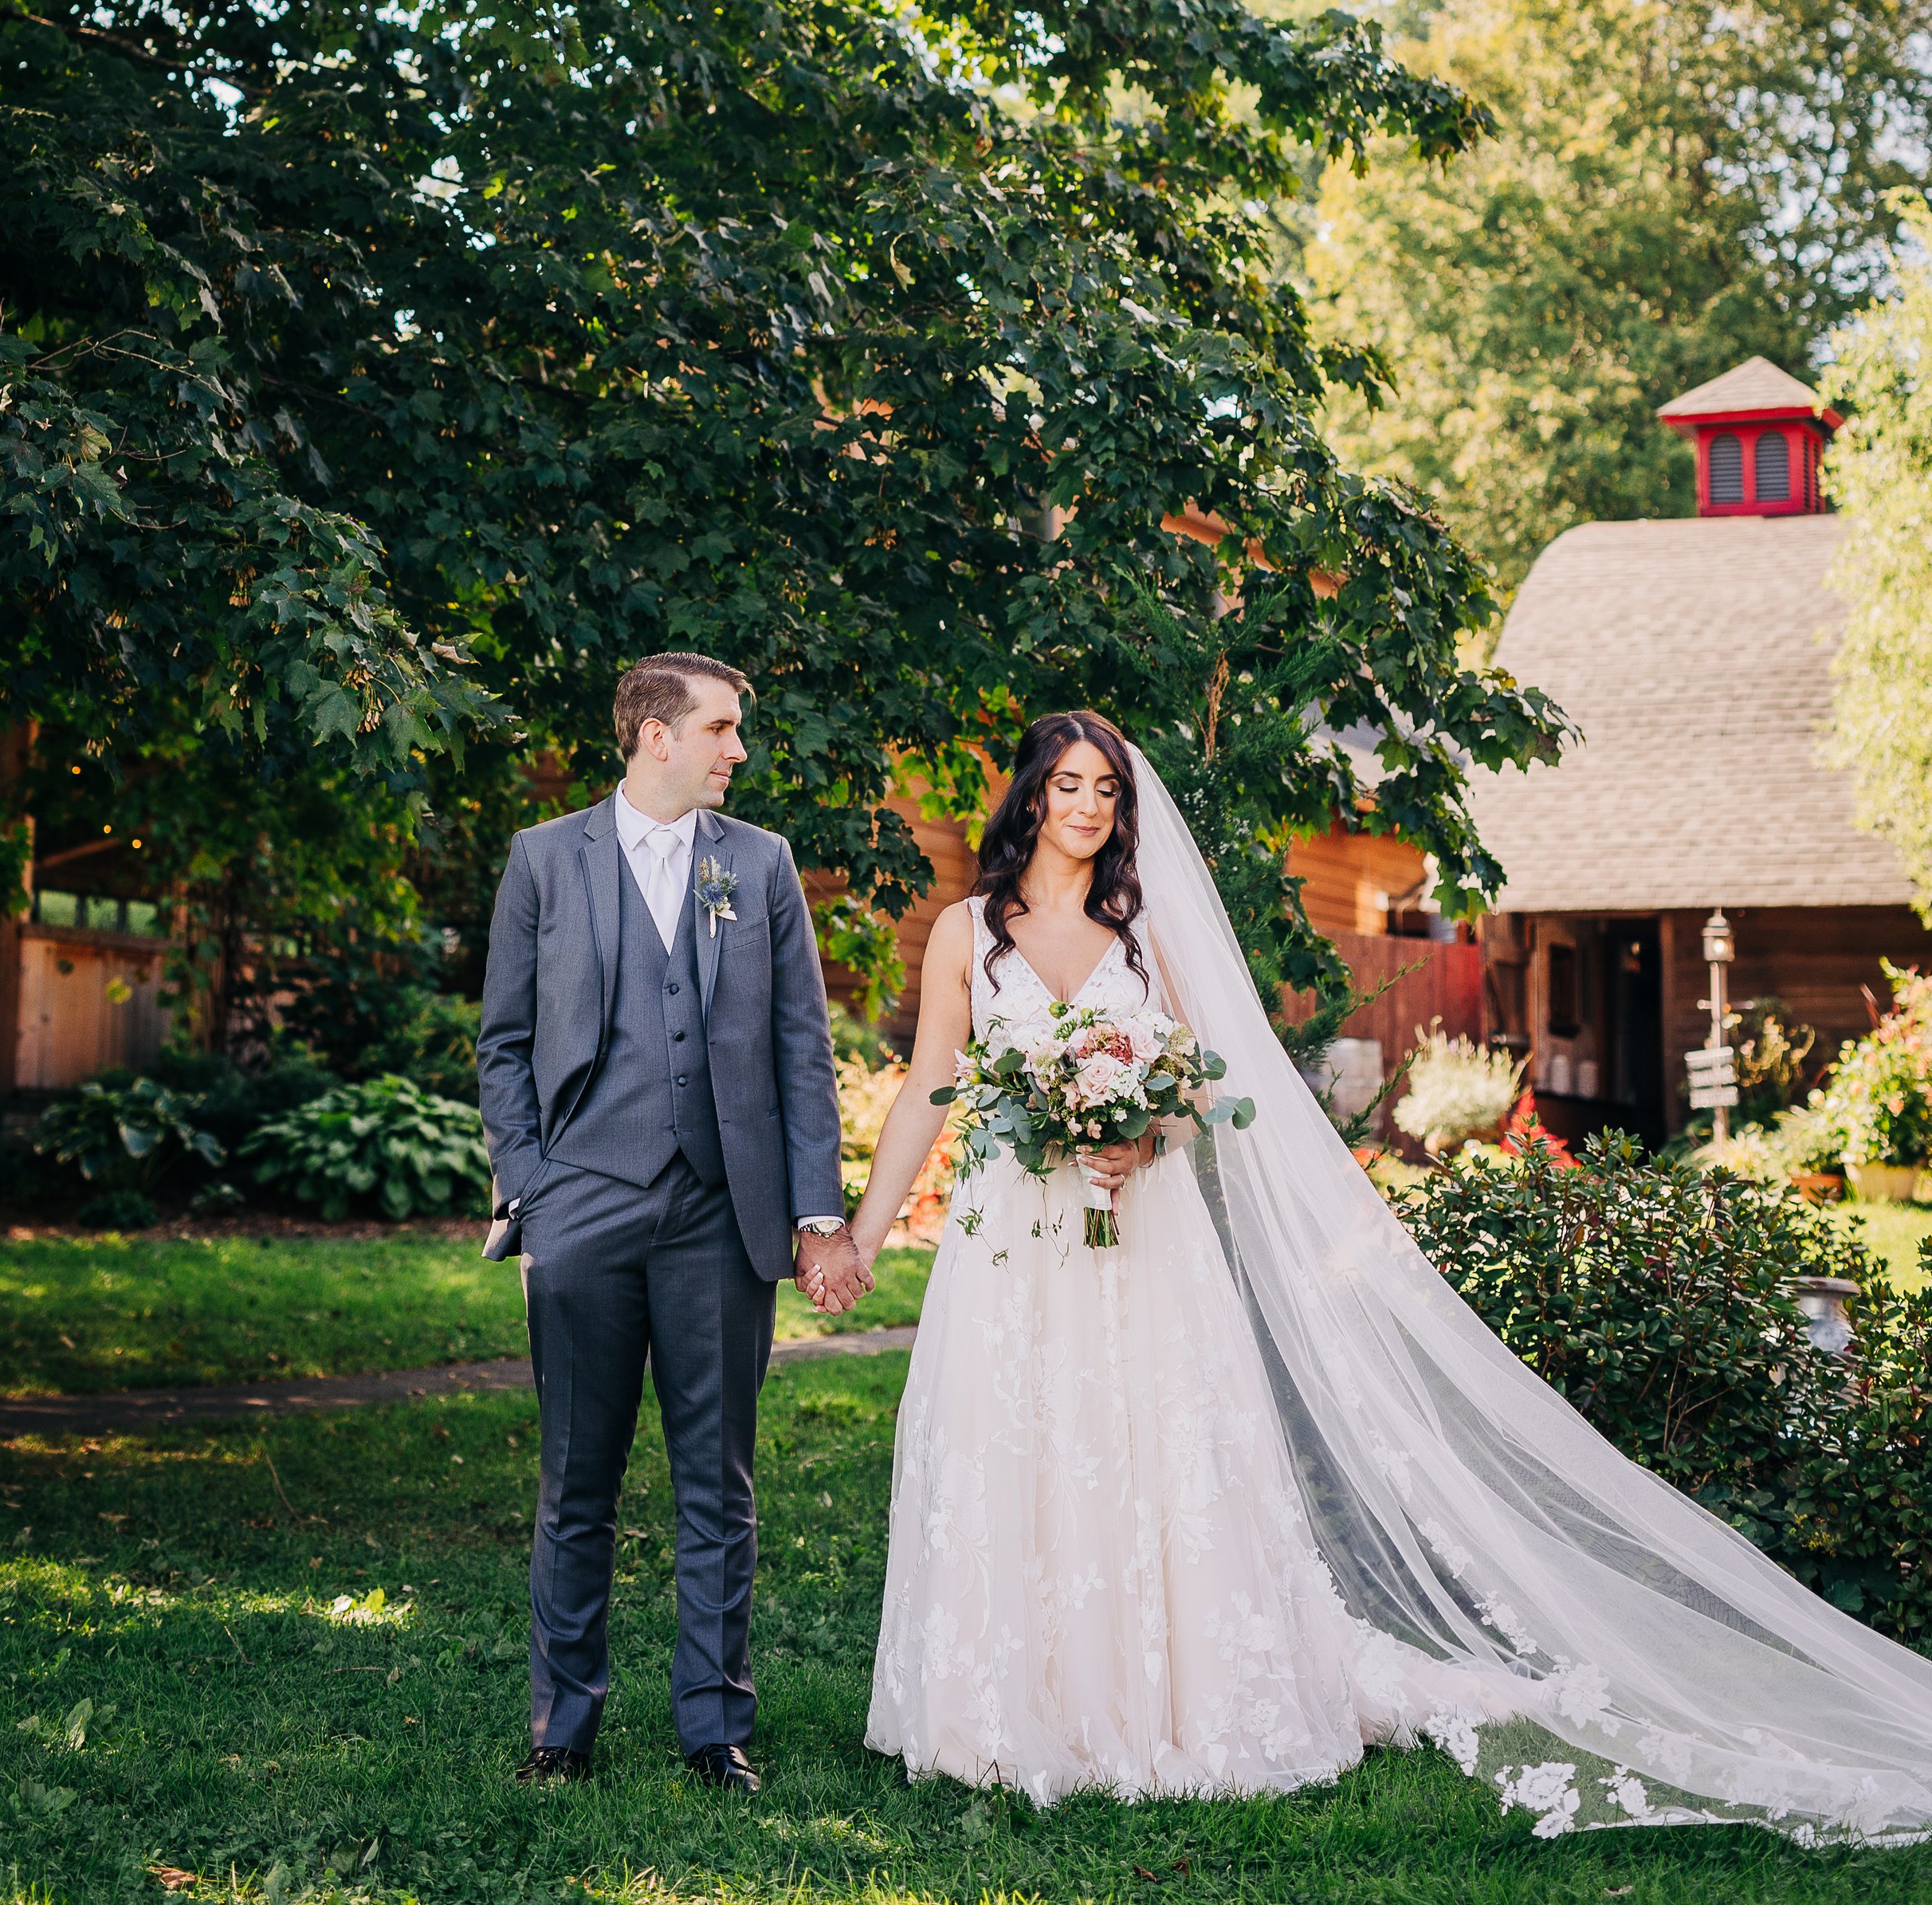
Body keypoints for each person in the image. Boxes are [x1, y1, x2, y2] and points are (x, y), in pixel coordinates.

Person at [850, 709, 1932, 1841]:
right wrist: (869, 1236)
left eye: (1106, 791)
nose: (1087, 807)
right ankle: (1013, 1703)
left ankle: (1163, 1697)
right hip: (1016, 1242)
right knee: (1020, 1445)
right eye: (1068, 784)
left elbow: (1199, 1086)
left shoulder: (1141, 932)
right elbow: (933, 1085)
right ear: (1030, 797)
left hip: (1143, 1239)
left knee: (1146, 1451)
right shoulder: (967, 932)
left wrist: (1142, 1133)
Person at [477, 652, 872, 1793]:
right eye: (721, 727)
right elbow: (502, 1040)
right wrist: (530, 1187)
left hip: (719, 1213)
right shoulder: (546, 859)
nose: (736, 748)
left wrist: (812, 1207)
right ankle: (563, 1725)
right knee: (576, 1480)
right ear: (656, 735)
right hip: (581, 1202)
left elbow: (803, 1041)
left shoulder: (761, 863)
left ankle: (713, 1727)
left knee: (719, 1484)